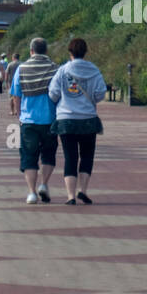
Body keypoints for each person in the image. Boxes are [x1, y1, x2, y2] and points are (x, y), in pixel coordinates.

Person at [48, 37, 106, 205]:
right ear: (85, 52)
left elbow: (53, 93)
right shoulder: (94, 71)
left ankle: (70, 196)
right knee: (87, 156)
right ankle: (84, 190)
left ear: (70, 52)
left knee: (70, 157)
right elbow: (100, 93)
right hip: (88, 119)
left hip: (66, 119)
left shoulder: (63, 70)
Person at [12, 36, 58, 204]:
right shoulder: (55, 69)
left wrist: (19, 115)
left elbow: (16, 95)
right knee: (48, 154)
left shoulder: (21, 68)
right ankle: (44, 184)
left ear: (31, 51)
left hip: (28, 120)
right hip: (50, 119)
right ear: (46, 50)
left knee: (29, 156)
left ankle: (31, 192)